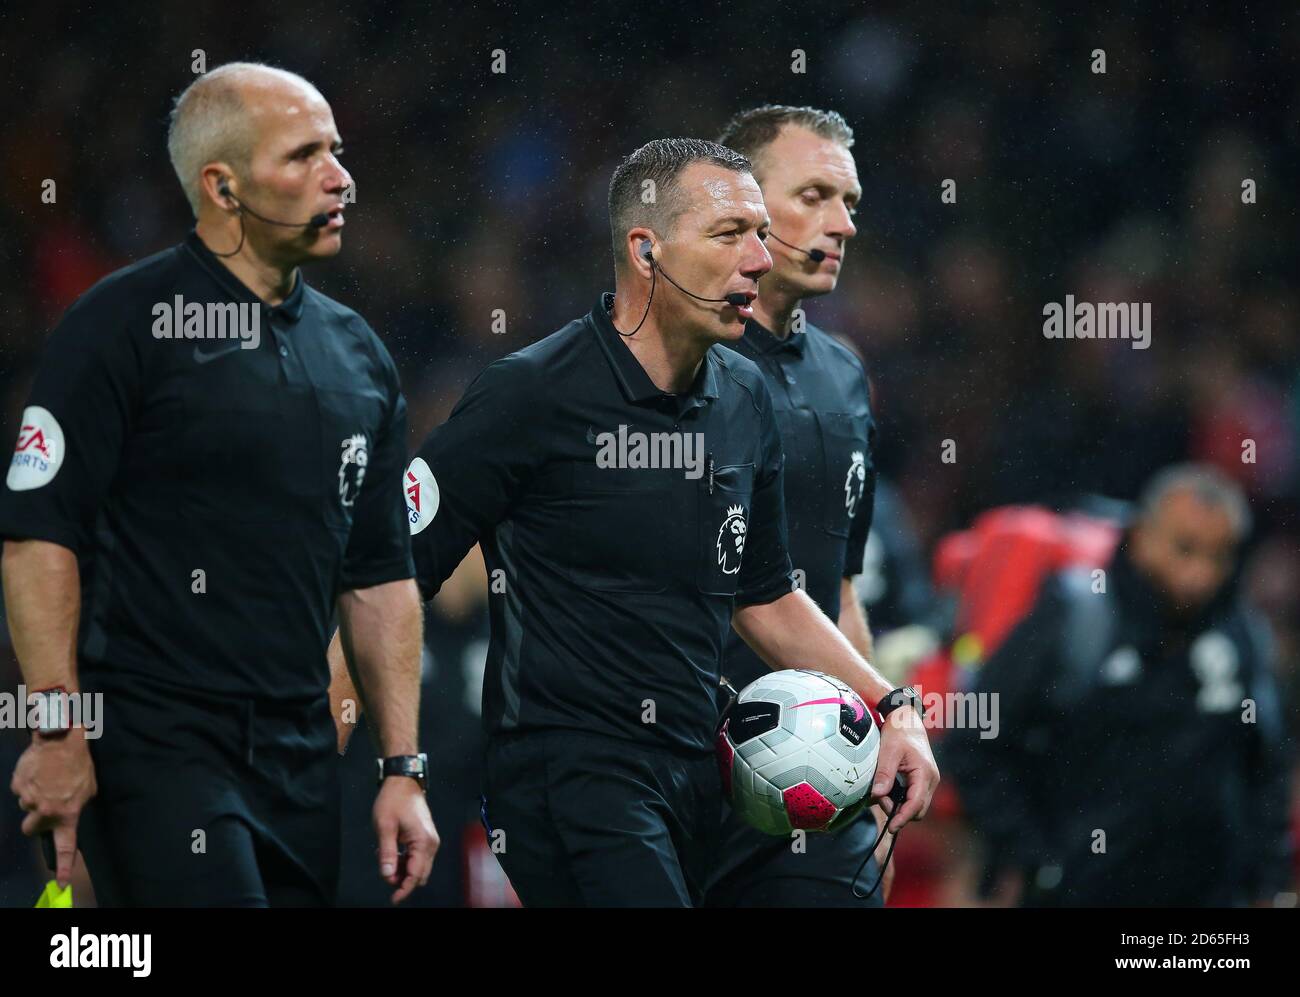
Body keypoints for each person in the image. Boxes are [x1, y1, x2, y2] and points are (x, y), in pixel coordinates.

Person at [333, 138, 938, 907]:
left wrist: (894, 705)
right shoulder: (531, 394)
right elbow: (389, 572)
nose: (760, 257)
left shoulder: (745, 398)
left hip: (702, 766)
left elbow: (765, 596)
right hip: (573, 775)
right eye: (731, 235)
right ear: (646, 249)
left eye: (760, 232)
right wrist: (347, 758)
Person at [2, 62, 437, 907]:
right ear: (223, 186)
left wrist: (403, 769)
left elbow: (381, 577)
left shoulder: (358, 356)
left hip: (302, 758)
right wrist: (55, 730)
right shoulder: (120, 325)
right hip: (154, 742)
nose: (340, 176)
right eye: (305, 155)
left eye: (338, 151)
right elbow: (38, 536)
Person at [943, 464, 1293, 906]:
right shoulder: (1076, 616)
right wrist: (1034, 858)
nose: (1200, 573)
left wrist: (1269, 883)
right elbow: (974, 737)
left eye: (1219, 555)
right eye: (1184, 548)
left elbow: (1266, 770)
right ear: (1142, 534)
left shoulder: (1242, 638)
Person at [704, 104, 890, 907]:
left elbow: (838, 584)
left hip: (812, 774)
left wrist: (875, 729)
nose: (840, 223)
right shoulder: (674, 363)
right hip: (674, 768)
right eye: (813, 195)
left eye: (848, 202)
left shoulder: (844, 377)